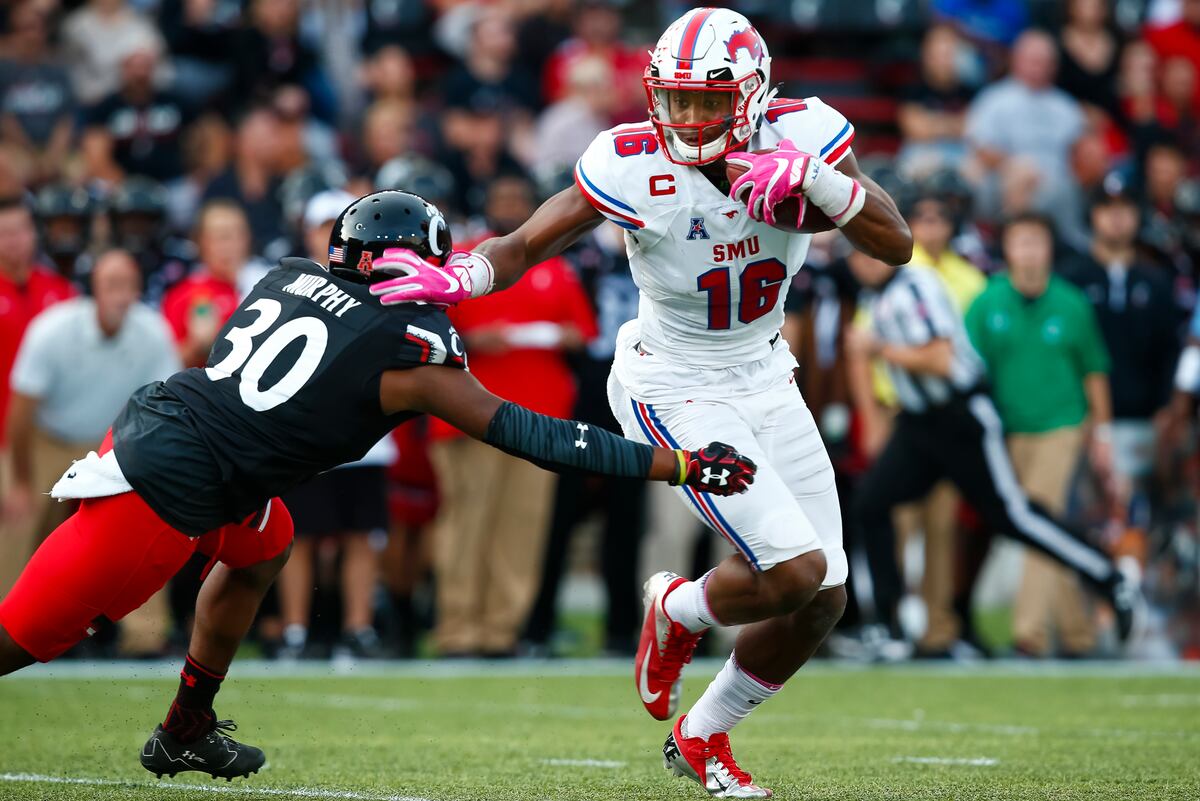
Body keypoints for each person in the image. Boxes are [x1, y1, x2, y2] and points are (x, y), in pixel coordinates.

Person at [0, 190, 754, 781]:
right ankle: (175, 716)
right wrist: (680, 462)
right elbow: (539, 437)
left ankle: (186, 726)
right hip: (169, 489)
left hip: (173, 434)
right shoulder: (410, 354)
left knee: (267, 542)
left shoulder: (287, 274)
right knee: (21, 638)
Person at [367, 9, 913, 797]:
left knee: (824, 596)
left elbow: (896, 244)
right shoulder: (631, 161)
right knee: (796, 569)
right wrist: (466, 275)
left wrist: (818, 180)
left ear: (753, 97)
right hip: (674, 381)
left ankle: (702, 732)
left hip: (767, 373)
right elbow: (528, 241)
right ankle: (680, 605)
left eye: (705, 101)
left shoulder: (807, 134)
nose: (685, 118)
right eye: (674, 98)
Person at [842, 224, 1137, 661]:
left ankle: (1109, 576)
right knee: (870, 503)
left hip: (960, 416)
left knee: (1013, 516)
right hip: (919, 422)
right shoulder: (876, 295)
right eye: (856, 254)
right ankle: (889, 626)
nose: (863, 262)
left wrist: (879, 348)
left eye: (869, 251)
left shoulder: (915, 284)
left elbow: (941, 359)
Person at [428, 174, 598, 657]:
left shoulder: (554, 267)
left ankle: (502, 631)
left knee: (521, 527)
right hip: (469, 413)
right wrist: (473, 341)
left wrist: (564, 336)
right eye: (501, 197)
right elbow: (427, 330)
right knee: (468, 522)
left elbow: (583, 331)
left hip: (540, 417)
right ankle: (458, 629)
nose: (510, 206)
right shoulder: (460, 262)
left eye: (518, 199)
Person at [3, 249, 180, 654]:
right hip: (47, 438)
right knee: (16, 517)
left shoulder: (152, 331)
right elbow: (22, 410)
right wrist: (22, 482)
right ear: (93, 289)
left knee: (143, 521)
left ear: (138, 289)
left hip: (115, 443)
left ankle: (147, 637)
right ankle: (6, 627)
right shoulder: (53, 329)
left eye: (128, 284)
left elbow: (166, 405)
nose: (120, 294)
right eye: (111, 284)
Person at [965, 213, 1116, 656]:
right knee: (1048, 528)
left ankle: (1029, 635)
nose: (1029, 251)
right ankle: (1079, 636)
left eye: (1037, 242)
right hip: (1007, 431)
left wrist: (1102, 435)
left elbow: (1094, 372)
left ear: (1049, 250)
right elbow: (967, 367)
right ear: (1007, 250)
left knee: (1040, 520)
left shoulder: (1071, 303)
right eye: (1021, 242)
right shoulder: (987, 302)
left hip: (1062, 426)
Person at [275, 190, 396, 661]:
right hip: (306, 431)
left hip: (366, 434)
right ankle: (295, 631)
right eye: (322, 226)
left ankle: (358, 629)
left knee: (362, 535)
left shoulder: (384, 283)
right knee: (300, 535)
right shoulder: (292, 281)